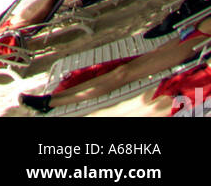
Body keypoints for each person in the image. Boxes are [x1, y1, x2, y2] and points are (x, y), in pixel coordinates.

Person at [18, 13, 211, 114]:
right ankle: (51, 99)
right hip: (188, 36)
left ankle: (51, 102)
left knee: (124, 73)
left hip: (194, 45)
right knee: (122, 69)